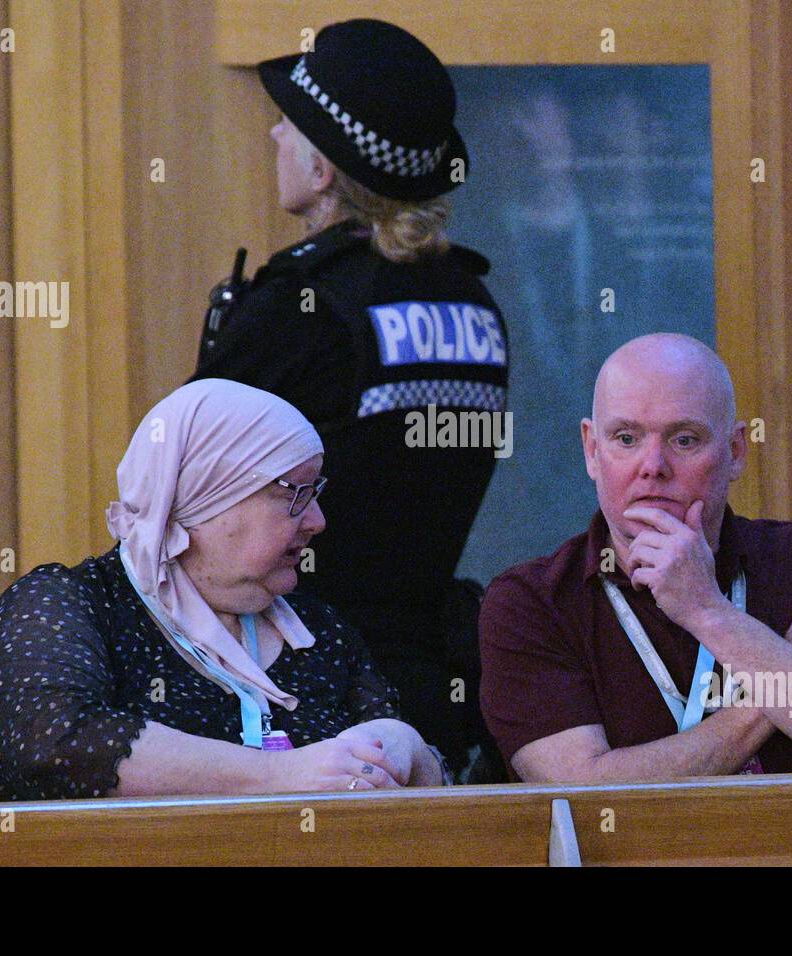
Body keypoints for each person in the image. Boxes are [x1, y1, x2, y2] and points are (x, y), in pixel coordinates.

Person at [191, 19, 509, 773]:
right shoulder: (473, 304)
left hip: (295, 690)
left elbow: (184, 497)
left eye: (289, 124)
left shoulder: (297, 305)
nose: (273, 135)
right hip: (431, 682)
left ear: (325, 168)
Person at [0, 380, 447, 802]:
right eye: (293, 494)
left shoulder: (317, 631)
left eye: (315, 493)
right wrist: (279, 776)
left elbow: (423, 805)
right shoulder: (69, 603)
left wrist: (408, 749)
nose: (317, 521)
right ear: (206, 496)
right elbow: (54, 743)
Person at [479, 334, 792, 782]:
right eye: (626, 438)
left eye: (684, 440)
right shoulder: (531, 602)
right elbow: (586, 792)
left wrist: (707, 611)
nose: (653, 465)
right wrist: (780, 682)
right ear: (591, 450)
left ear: (736, 451)